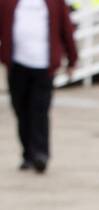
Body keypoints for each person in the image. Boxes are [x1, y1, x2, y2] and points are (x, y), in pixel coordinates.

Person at [0, 0, 77, 173]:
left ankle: (41, 154)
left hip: (44, 66)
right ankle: (27, 154)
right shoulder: (8, 2)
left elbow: (66, 29)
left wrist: (72, 59)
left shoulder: (55, 3)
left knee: (40, 110)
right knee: (21, 109)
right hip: (17, 64)